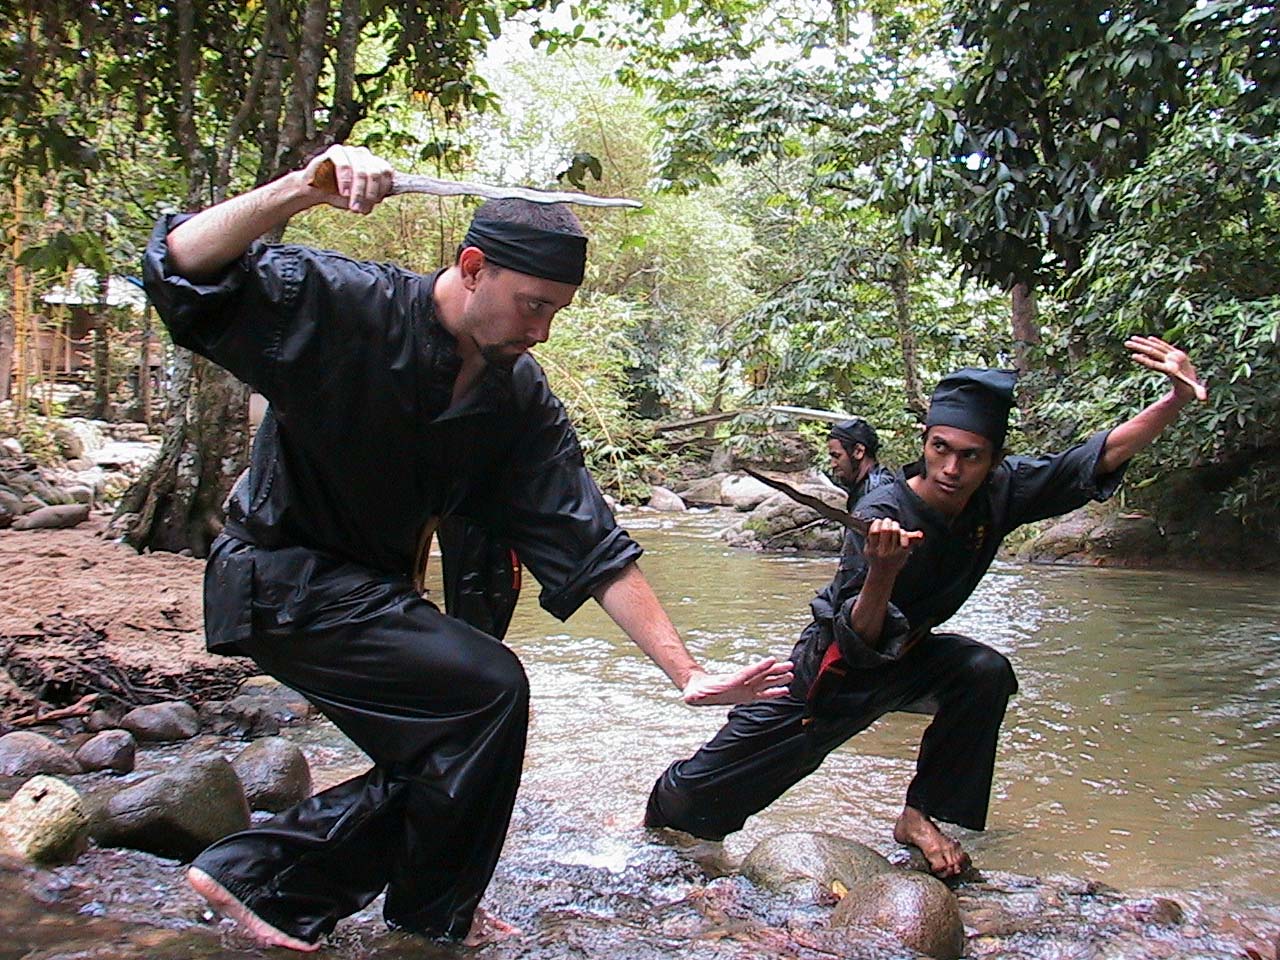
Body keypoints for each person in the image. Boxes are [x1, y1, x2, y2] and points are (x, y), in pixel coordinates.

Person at [141, 144, 794, 952]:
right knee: (486, 694)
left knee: (457, 741)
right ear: (475, 267)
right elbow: (180, 266)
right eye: (532, 305)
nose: (542, 330)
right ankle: (271, 875)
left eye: (557, 312)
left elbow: (587, 537)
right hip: (277, 577)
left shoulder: (515, 398)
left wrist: (687, 672)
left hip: (372, 594)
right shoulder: (349, 307)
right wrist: (299, 192)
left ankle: (411, 909)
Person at [645, 338, 1203, 877]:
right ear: (925, 442)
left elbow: (1095, 457)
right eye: (941, 449)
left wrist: (1175, 398)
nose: (952, 469)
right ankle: (651, 825)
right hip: (833, 673)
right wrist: (883, 572)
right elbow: (857, 639)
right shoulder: (886, 508)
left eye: (970, 456)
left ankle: (919, 815)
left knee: (983, 673)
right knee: (689, 811)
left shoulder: (1000, 492)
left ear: (993, 459)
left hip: (909, 657)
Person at [826, 417, 893, 509]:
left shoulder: (877, 490)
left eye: (837, 456)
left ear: (858, 451)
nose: (833, 464)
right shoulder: (862, 486)